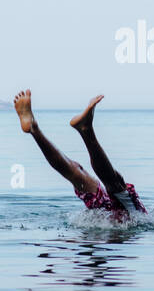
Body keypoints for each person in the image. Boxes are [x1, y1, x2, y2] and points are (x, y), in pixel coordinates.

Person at [14, 90, 146, 222]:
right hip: (124, 220)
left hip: (104, 218)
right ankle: (85, 129)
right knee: (114, 183)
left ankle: (35, 130)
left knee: (78, 174)